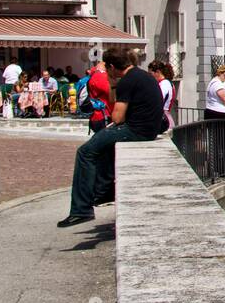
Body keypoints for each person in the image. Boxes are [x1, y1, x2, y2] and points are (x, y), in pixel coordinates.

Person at [57, 49, 164, 228]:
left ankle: (81, 210)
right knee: (104, 146)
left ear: (112, 67)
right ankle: (104, 192)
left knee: (85, 152)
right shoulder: (143, 75)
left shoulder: (127, 81)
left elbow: (116, 118)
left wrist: (112, 83)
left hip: (135, 131)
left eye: (107, 69)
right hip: (148, 129)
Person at [82, 60, 112, 132]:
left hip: (98, 115)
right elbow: (112, 93)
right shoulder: (100, 76)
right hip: (103, 115)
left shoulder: (95, 74)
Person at [149, 60, 175, 133]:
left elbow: (157, 100)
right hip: (163, 118)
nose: (150, 76)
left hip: (163, 120)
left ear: (157, 72)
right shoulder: (164, 83)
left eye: (151, 74)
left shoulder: (164, 84)